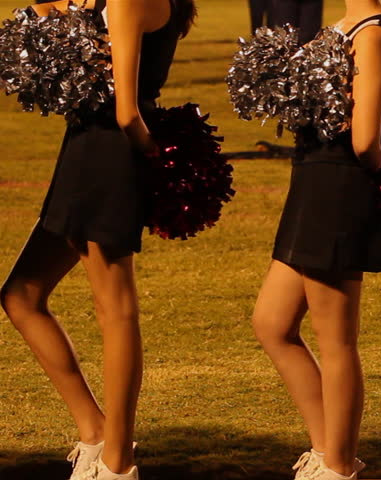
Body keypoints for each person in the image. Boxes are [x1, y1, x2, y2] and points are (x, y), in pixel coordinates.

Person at [0, 1, 196, 480]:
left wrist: (161, 159)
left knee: (115, 308)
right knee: (21, 296)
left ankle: (118, 462)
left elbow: (127, 111)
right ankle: (96, 431)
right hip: (84, 149)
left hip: (108, 154)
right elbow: (49, 10)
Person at [249, 1, 381, 479]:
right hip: (311, 180)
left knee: (335, 340)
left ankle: (340, 466)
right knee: (271, 322)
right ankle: (326, 448)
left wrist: (365, 178)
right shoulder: (343, 26)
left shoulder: (373, 34)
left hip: (337, 185)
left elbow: (365, 138)